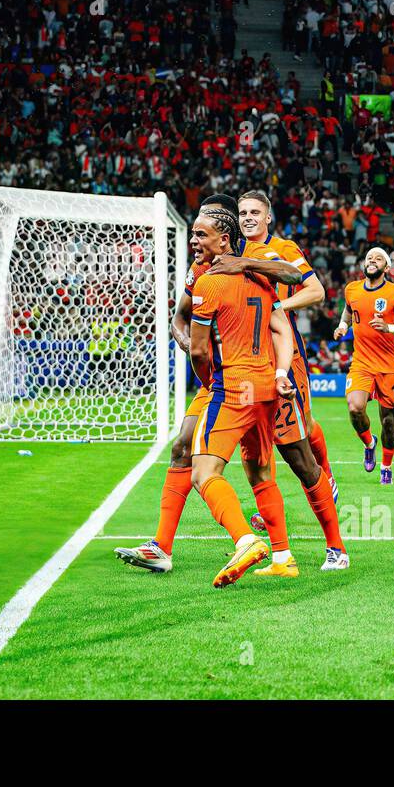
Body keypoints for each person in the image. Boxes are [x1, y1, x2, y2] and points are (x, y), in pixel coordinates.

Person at [208, 189, 346, 572]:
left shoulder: (281, 248)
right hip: (245, 368)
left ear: (268, 217)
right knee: (255, 461)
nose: (248, 217)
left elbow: (314, 289)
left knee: (298, 453)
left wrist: (278, 306)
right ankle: (282, 555)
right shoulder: (233, 253)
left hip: (285, 359)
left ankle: (336, 545)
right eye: (243, 212)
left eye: (255, 212)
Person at [114, 195, 241, 575]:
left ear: (224, 231)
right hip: (213, 380)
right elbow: (179, 318)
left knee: (264, 464)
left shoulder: (246, 266)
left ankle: (276, 544)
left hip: (245, 379)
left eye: (202, 229)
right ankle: (161, 547)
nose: (195, 238)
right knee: (181, 447)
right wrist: (185, 339)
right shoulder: (198, 270)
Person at [188, 209, 295, 587]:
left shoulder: (209, 282)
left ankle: (246, 540)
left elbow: (199, 352)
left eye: (201, 235)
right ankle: (284, 557)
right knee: (261, 473)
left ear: (224, 240)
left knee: (202, 472)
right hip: (265, 387)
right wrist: (281, 373)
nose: (194, 242)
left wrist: (209, 384)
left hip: (232, 387)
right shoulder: (261, 279)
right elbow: (282, 328)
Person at [335, 247, 394, 485]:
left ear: (386, 267)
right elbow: (348, 310)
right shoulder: (352, 289)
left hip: (387, 365)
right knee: (355, 407)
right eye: (369, 258)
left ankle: (386, 466)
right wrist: (343, 326)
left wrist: (391, 328)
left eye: (378, 259)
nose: (372, 261)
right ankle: (369, 443)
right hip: (361, 362)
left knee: (388, 421)